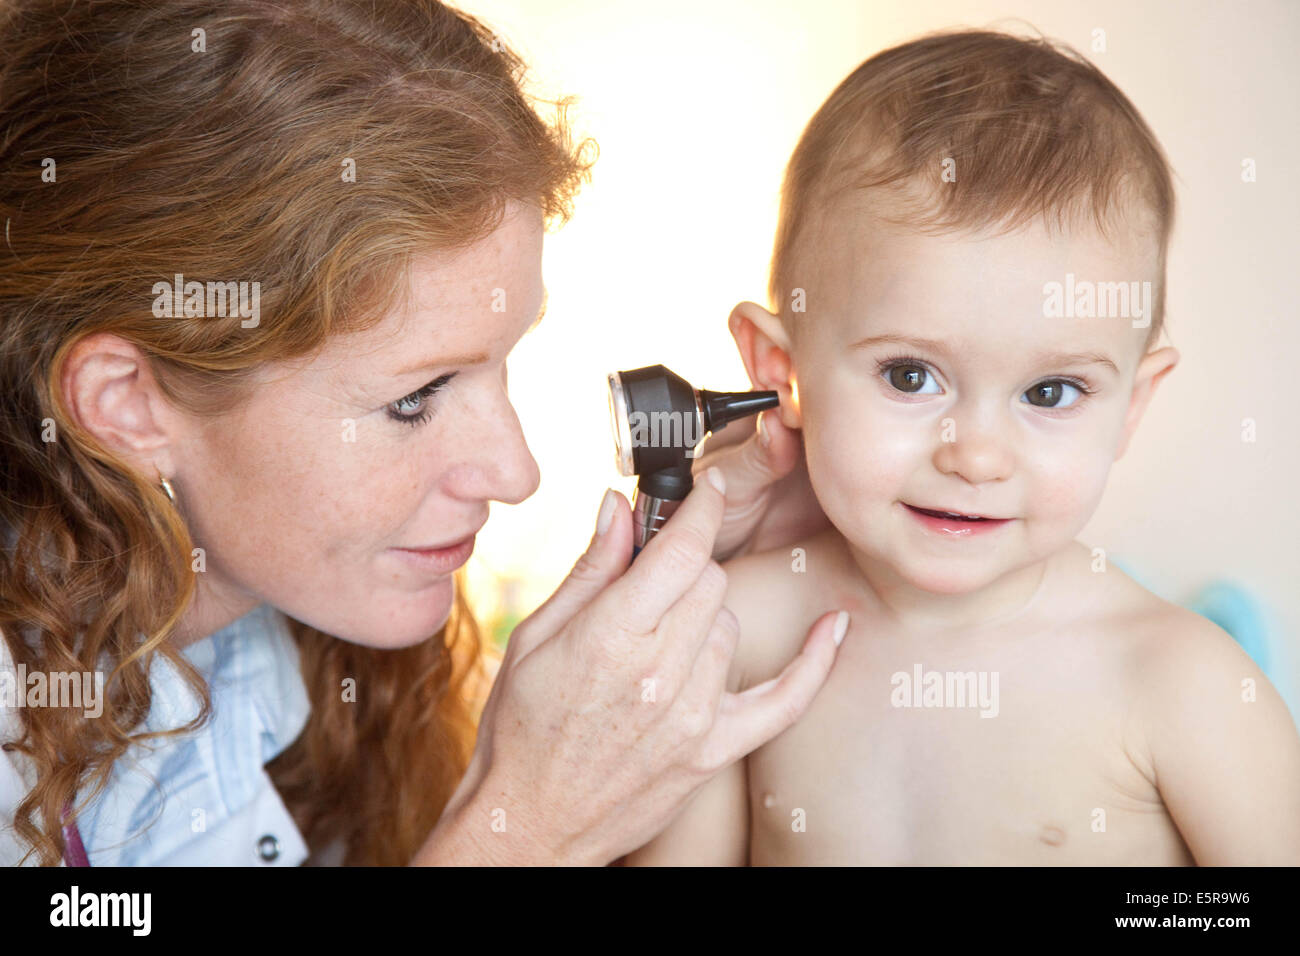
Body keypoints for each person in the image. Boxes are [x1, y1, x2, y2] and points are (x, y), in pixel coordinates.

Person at [0, 0, 844, 867]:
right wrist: (526, 827)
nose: (518, 474)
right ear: (127, 404)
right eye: (416, 398)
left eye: (502, 361)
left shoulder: (267, 655)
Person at [625, 28, 1300, 865]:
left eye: (1050, 393)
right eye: (910, 377)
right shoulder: (729, 635)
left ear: (1132, 405)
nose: (975, 457)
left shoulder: (1183, 684)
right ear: (782, 371)